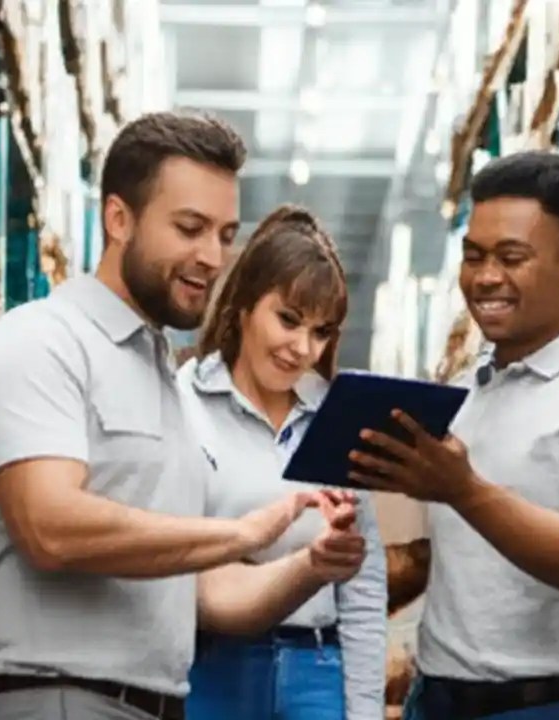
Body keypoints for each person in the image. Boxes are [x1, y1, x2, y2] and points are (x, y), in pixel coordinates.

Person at [0, 111, 368, 720]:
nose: (211, 256)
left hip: (160, 704)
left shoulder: (167, 387)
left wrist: (311, 565)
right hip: (59, 699)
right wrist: (239, 532)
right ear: (119, 218)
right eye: (189, 228)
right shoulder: (40, 342)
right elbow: (49, 527)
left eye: (226, 235)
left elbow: (206, 595)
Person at [348, 151, 559, 719]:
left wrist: (464, 490)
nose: (485, 278)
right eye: (474, 256)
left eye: (512, 257)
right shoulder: (464, 394)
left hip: (552, 706)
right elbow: (450, 557)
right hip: (436, 702)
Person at [176, 205, 388, 720]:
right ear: (246, 302)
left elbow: (362, 587)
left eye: (321, 332)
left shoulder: (337, 418)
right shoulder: (182, 403)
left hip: (317, 672)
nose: (302, 348)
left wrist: (362, 712)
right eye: (288, 320)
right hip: (210, 670)